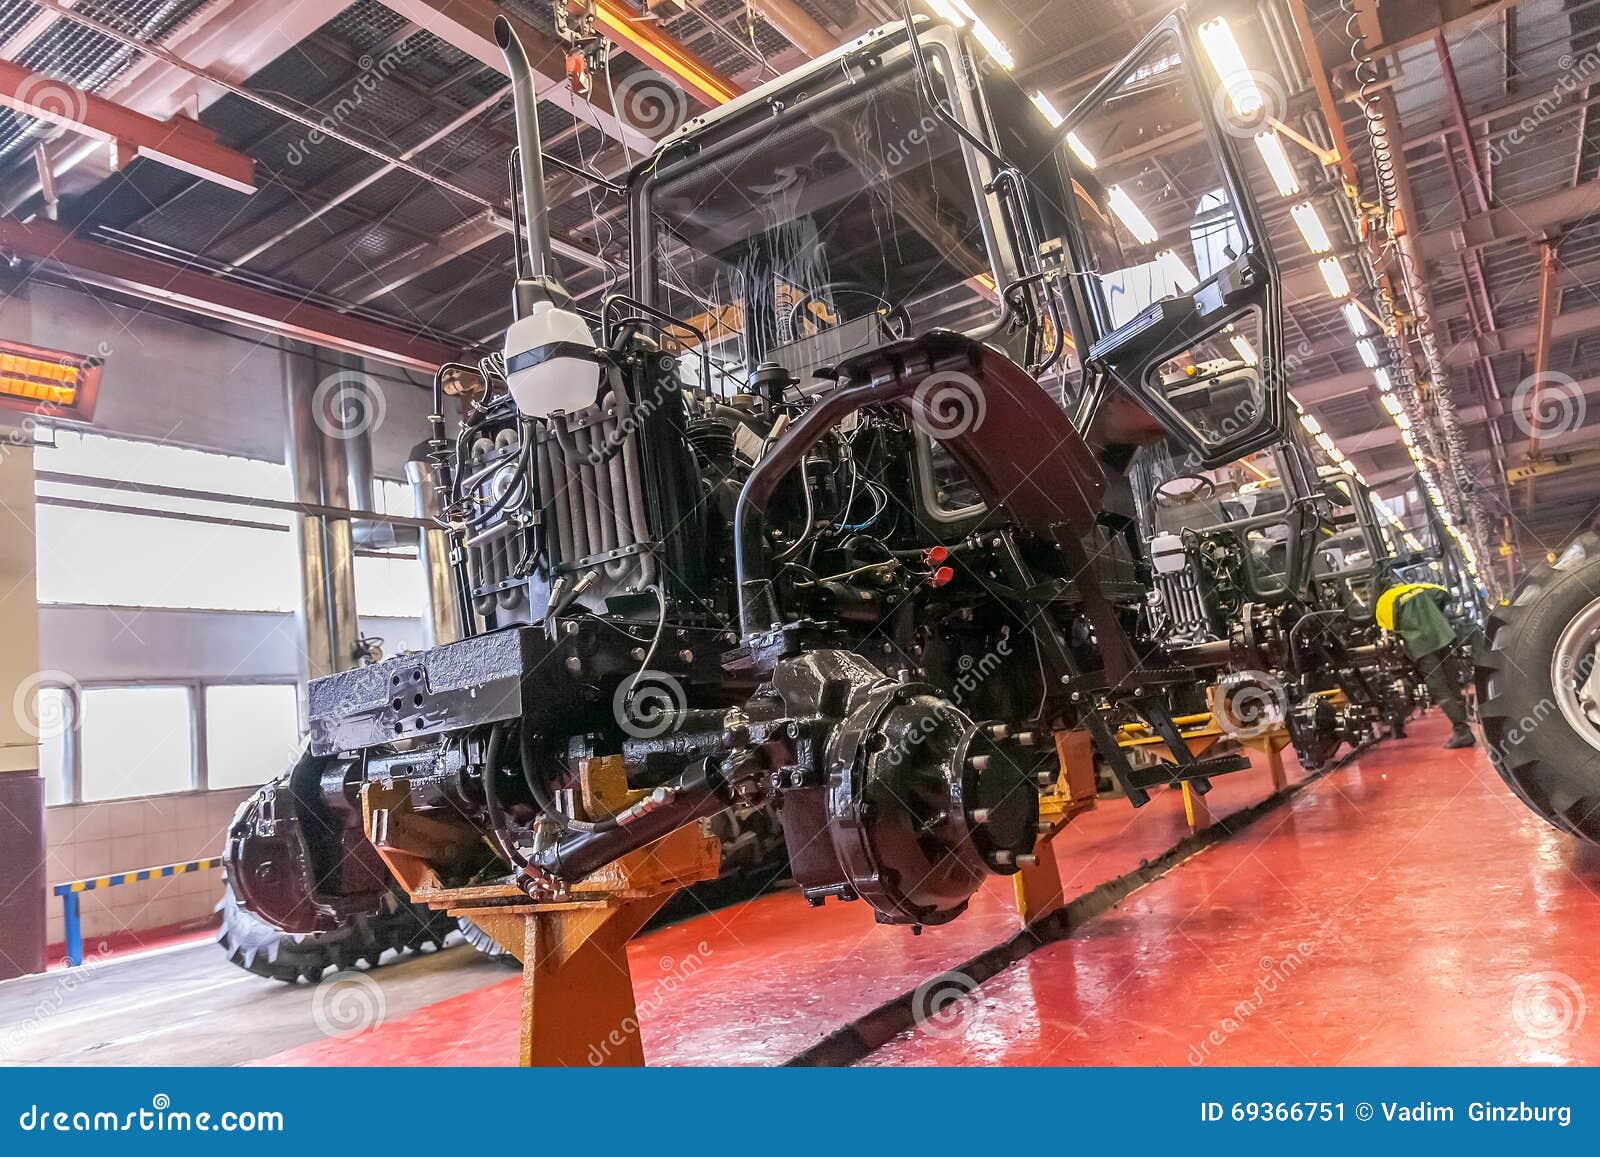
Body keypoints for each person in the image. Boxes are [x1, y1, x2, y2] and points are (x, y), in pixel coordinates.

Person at [1376, 580, 1475, 749]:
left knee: (1440, 690)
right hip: (1442, 637)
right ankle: (1463, 723)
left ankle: (1462, 731)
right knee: (1452, 684)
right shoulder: (1420, 588)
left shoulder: (1385, 600)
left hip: (1422, 646)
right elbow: (1444, 594)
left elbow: (1388, 628)